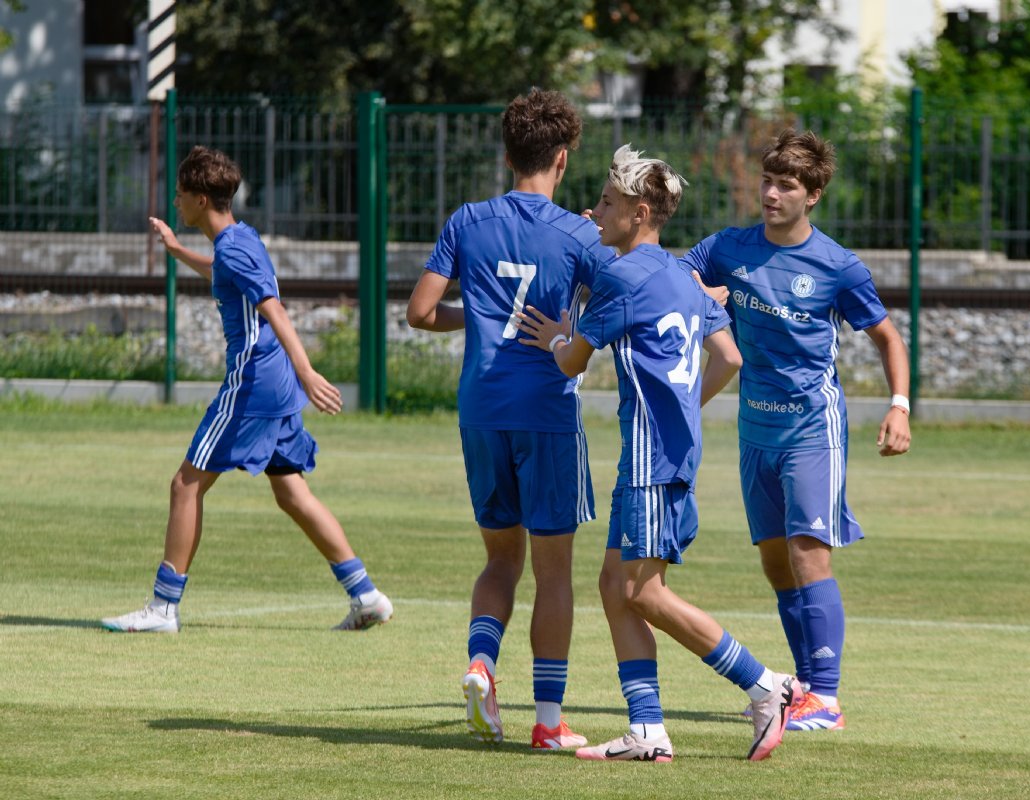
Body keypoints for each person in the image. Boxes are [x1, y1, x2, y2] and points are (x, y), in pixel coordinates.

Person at [517, 144, 795, 763]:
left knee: (644, 593)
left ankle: (765, 685)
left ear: (640, 212)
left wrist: (555, 337)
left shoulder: (620, 276)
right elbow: (730, 359)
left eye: (609, 203)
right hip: (669, 451)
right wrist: (684, 409)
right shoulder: (682, 277)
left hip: (648, 459)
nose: (595, 210)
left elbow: (572, 359)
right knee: (615, 584)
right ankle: (647, 730)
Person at [101, 146, 392, 634]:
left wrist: (308, 372)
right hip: (275, 385)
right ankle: (366, 595)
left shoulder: (234, 247)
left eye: (179, 196)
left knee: (185, 485)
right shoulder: (239, 239)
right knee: (292, 494)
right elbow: (226, 276)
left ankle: (163, 608)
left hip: (255, 383)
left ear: (199, 199)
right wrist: (177, 252)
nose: (175, 203)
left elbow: (274, 309)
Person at [681, 129, 911, 732]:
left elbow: (888, 336)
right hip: (754, 429)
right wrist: (699, 290)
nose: (772, 193)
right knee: (776, 564)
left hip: (813, 427)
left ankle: (827, 700)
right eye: (767, 181)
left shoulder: (837, 265)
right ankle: (803, 688)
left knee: (810, 556)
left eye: (787, 185)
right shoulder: (728, 247)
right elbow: (669, 277)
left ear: (813, 196)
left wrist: (899, 405)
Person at [406, 89, 613, 751]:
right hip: (547, 414)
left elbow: (419, 311)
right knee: (554, 573)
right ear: (560, 157)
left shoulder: (467, 220)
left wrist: (480, 316)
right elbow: (623, 298)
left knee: (500, 560)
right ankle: (549, 723)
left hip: (481, 410)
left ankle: (480, 664)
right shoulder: (579, 233)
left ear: (505, 155)